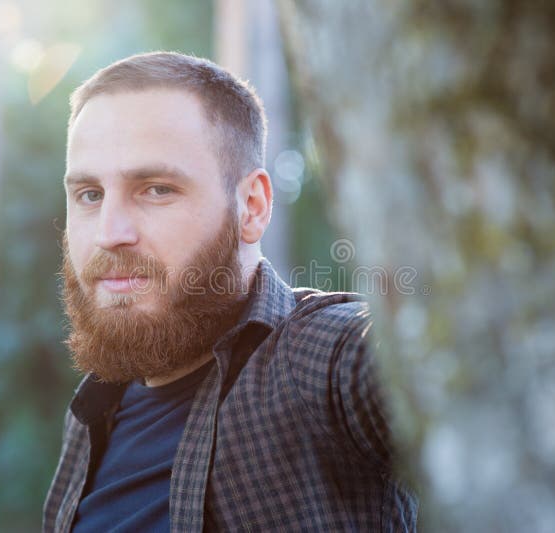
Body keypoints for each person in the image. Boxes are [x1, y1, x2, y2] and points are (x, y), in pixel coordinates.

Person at [43, 51, 417, 532]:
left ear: (253, 207)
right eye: (90, 195)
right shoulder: (93, 412)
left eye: (156, 189)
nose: (109, 233)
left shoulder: (318, 360)